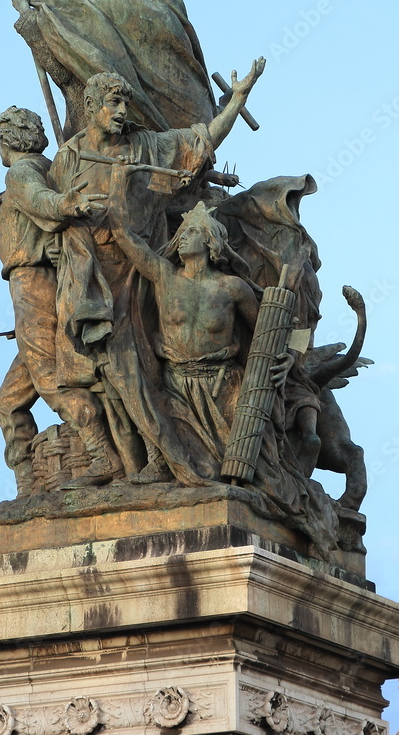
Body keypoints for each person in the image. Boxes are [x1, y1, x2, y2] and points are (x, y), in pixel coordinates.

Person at [44, 61, 265, 479]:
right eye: (114, 102)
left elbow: (197, 142)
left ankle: (162, 458)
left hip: (139, 271)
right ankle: (130, 462)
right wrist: (58, 244)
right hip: (87, 277)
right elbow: (53, 212)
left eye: (126, 102)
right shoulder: (68, 157)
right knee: (100, 376)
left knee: (136, 367)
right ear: (91, 106)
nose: (123, 111)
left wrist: (237, 100)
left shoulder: (145, 146)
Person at [108, 161, 293, 482]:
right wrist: (117, 178)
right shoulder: (164, 276)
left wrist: (288, 357)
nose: (182, 238)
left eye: (191, 232)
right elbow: (122, 234)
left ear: (210, 241)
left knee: (253, 470)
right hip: (176, 388)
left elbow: (267, 333)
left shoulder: (232, 287)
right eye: (181, 233)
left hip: (226, 386)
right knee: (190, 467)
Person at [0, 106, 121, 494]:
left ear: (8, 140)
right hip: (28, 291)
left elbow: (43, 201)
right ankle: (29, 486)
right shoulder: (45, 168)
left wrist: (66, 205)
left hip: (32, 285)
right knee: (7, 403)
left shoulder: (23, 172)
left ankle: (103, 456)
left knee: (52, 379)